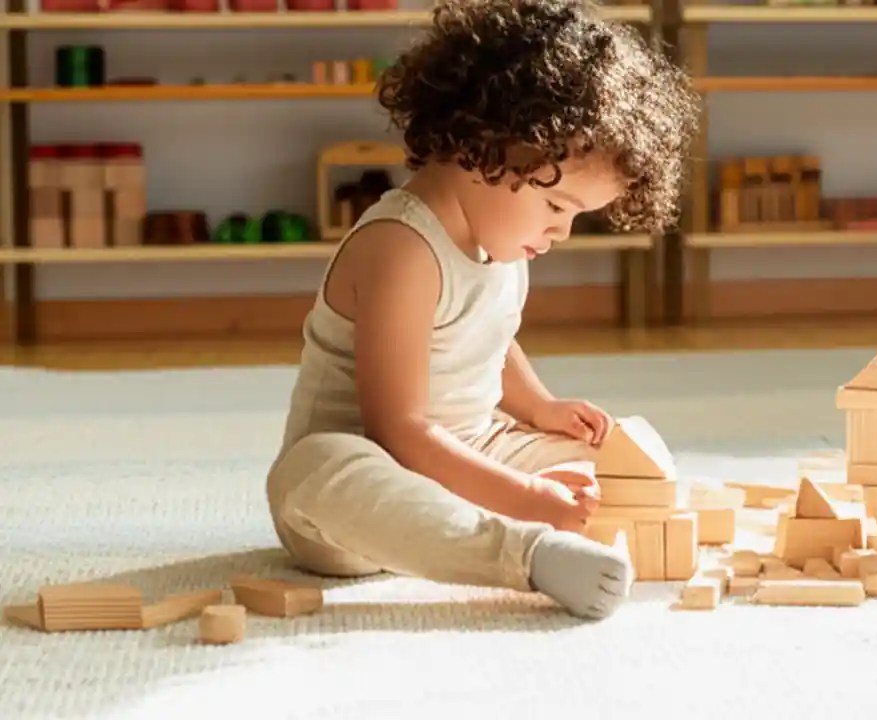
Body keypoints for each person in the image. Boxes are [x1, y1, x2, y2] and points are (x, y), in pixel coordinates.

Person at [264, 0, 699, 620]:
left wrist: (540, 408)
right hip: (368, 482)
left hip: (467, 453)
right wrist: (522, 498)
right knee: (319, 469)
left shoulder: (497, 238)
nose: (563, 233)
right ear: (488, 147)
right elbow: (400, 430)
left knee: (615, 459)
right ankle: (524, 555)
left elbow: (489, 339)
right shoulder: (402, 247)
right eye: (558, 208)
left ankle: (498, 525)